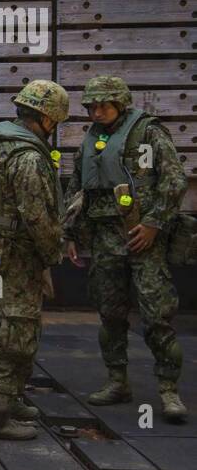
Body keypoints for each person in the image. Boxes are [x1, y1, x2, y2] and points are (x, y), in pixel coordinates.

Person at [66, 75, 188, 423]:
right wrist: (70, 233)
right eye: (91, 106)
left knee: (156, 314)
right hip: (104, 237)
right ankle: (117, 380)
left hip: (140, 236)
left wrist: (154, 223)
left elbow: (174, 181)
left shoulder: (148, 132)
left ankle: (168, 390)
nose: (96, 112)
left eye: (103, 105)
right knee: (110, 312)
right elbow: (78, 189)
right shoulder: (91, 138)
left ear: (121, 103)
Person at [0, 81, 69, 440]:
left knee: (9, 324)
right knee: (17, 331)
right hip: (18, 258)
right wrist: (52, 256)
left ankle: (10, 397)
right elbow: (37, 217)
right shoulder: (28, 157)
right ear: (47, 119)